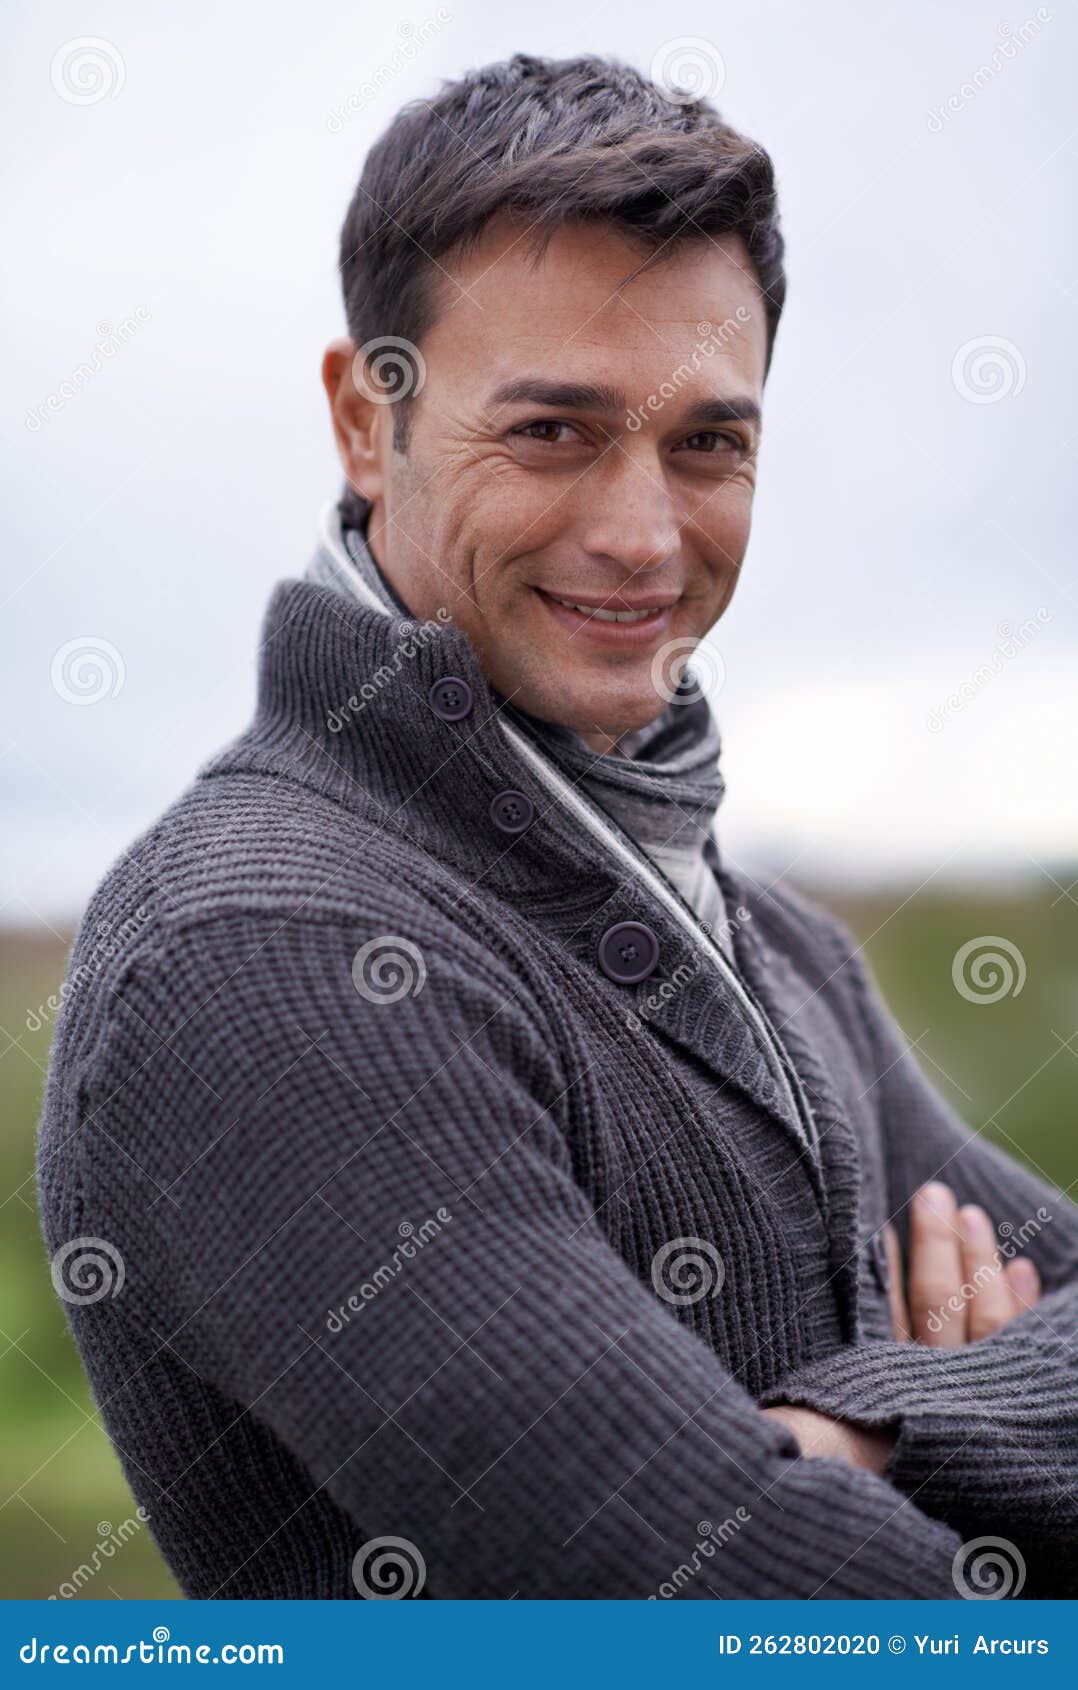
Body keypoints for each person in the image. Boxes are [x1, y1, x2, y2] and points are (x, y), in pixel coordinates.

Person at [37, 52, 1077, 1601]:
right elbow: (739, 1593)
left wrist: (883, 1421)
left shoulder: (774, 942)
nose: (642, 533)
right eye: (552, 432)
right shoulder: (257, 951)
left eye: (708, 443)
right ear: (360, 415)